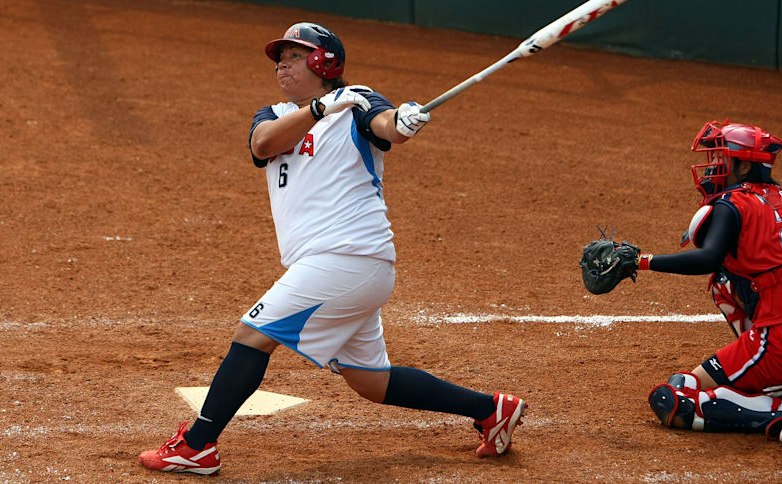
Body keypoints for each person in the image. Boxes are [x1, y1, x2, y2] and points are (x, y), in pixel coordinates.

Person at [138, 22, 527, 475]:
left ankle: (197, 446)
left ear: (323, 62)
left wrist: (402, 121)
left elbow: (385, 126)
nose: (282, 65)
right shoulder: (274, 113)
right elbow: (263, 145)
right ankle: (490, 409)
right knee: (371, 381)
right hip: (341, 267)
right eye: (280, 58)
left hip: (348, 257)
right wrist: (319, 108)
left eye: (294, 56)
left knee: (252, 335)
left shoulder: (357, 102)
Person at [639, 120, 782, 442]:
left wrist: (643, 261)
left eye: (721, 159)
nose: (713, 168)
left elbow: (708, 258)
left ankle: (780, 411)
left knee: (673, 396)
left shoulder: (731, 203)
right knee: (725, 281)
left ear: (744, 166)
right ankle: (774, 384)